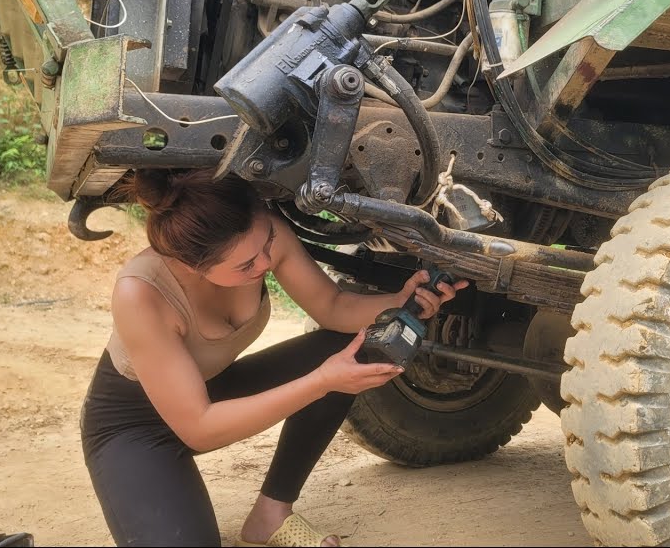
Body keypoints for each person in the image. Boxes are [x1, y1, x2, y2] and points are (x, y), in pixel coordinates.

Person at [79, 168, 467, 547]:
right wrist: (321, 382)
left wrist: (399, 302)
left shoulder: (263, 236)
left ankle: (270, 514)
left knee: (341, 348)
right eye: (247, 266)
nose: (265, 263)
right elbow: (198, 426)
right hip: (134, 429)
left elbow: (332, 306)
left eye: (265, 245)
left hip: (212, 392)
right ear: (192, 266)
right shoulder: (141, 294)